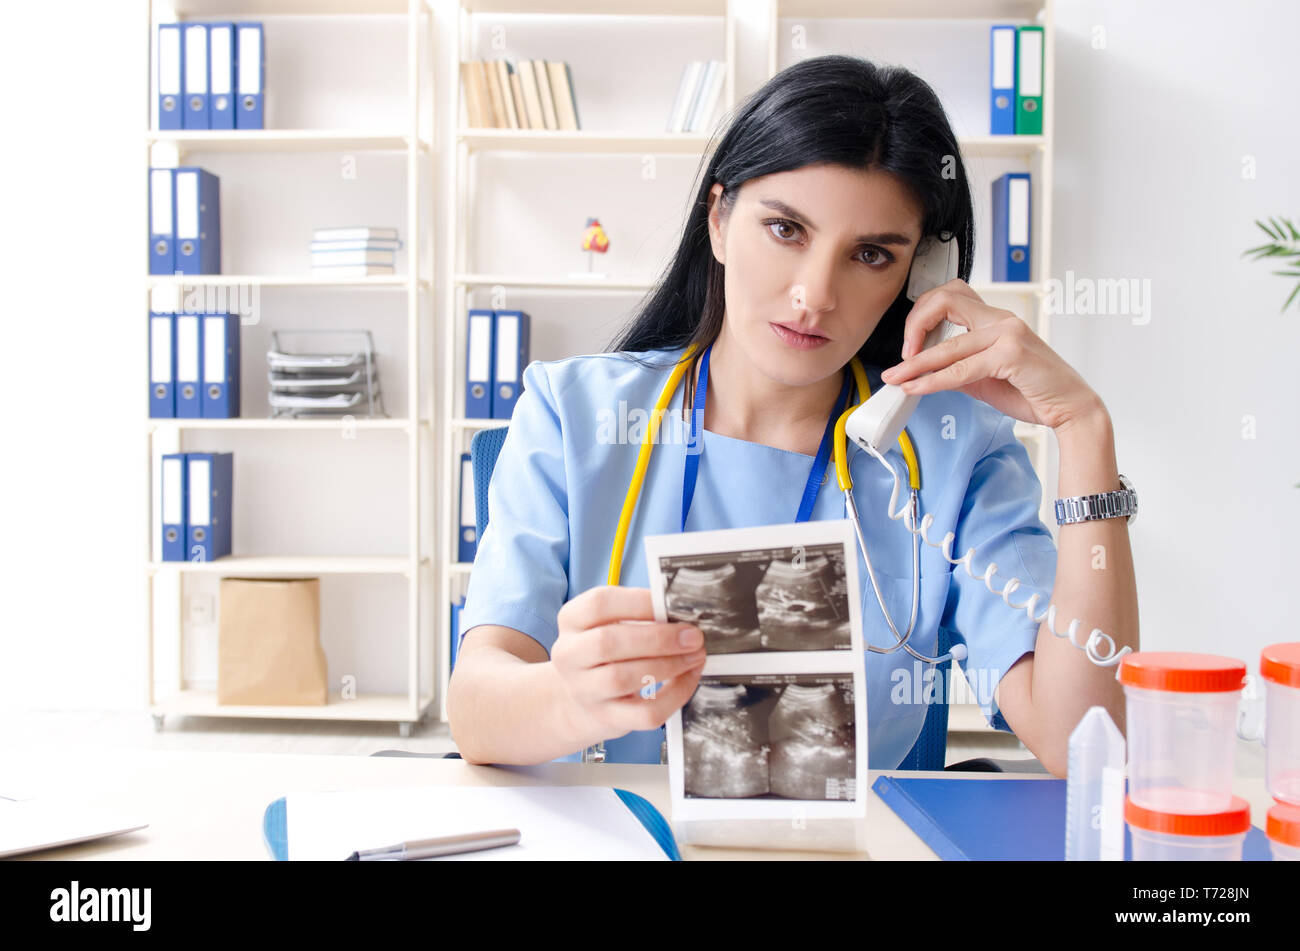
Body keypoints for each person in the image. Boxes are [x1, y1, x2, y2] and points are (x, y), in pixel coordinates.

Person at [446, 55, 1138, 777]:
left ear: (922, 274)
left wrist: (1084, 430)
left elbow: (1083, 743)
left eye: (870, 253)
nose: (815, 295)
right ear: (719, 220)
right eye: (786, 230)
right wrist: (571, 698)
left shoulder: (952, 452)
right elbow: (477, 709)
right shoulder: (574, 411)